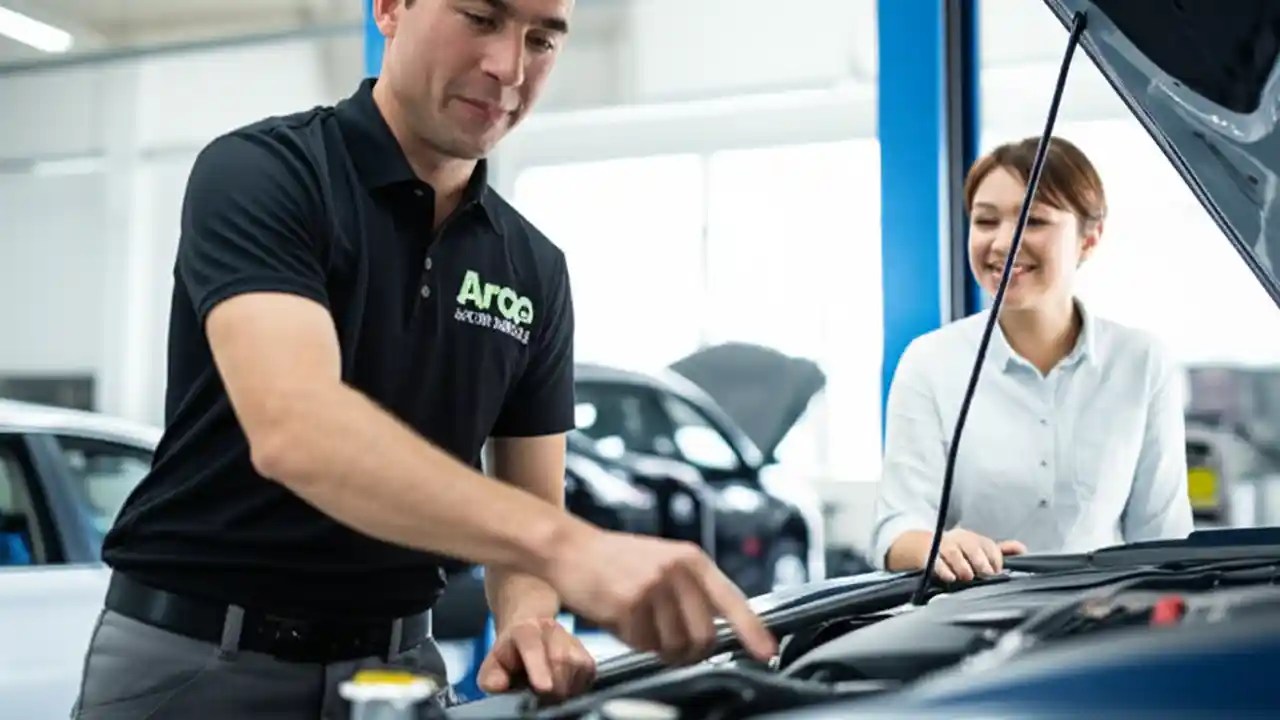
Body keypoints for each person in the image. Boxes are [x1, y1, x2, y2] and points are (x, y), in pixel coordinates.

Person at [71, 1, 775, 717]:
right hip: (200, 662)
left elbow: (531, 510)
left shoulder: (532, 268)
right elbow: (296, 430)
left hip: (398, 669)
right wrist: (575, 550)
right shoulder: (265, 173)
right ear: (389, 8)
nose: (509, 68)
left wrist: (529, 619)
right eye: (480, 17)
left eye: (541, 40)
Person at [869, 135, 1194, 583]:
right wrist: (935, 546)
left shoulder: (1141, 361)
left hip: (1107, 615)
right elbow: (895, 529)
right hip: (972, 615)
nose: (1003, 242)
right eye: (986, 221)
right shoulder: (931, 362)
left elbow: (1165, 540)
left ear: (1089, 239)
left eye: (1034, 220)